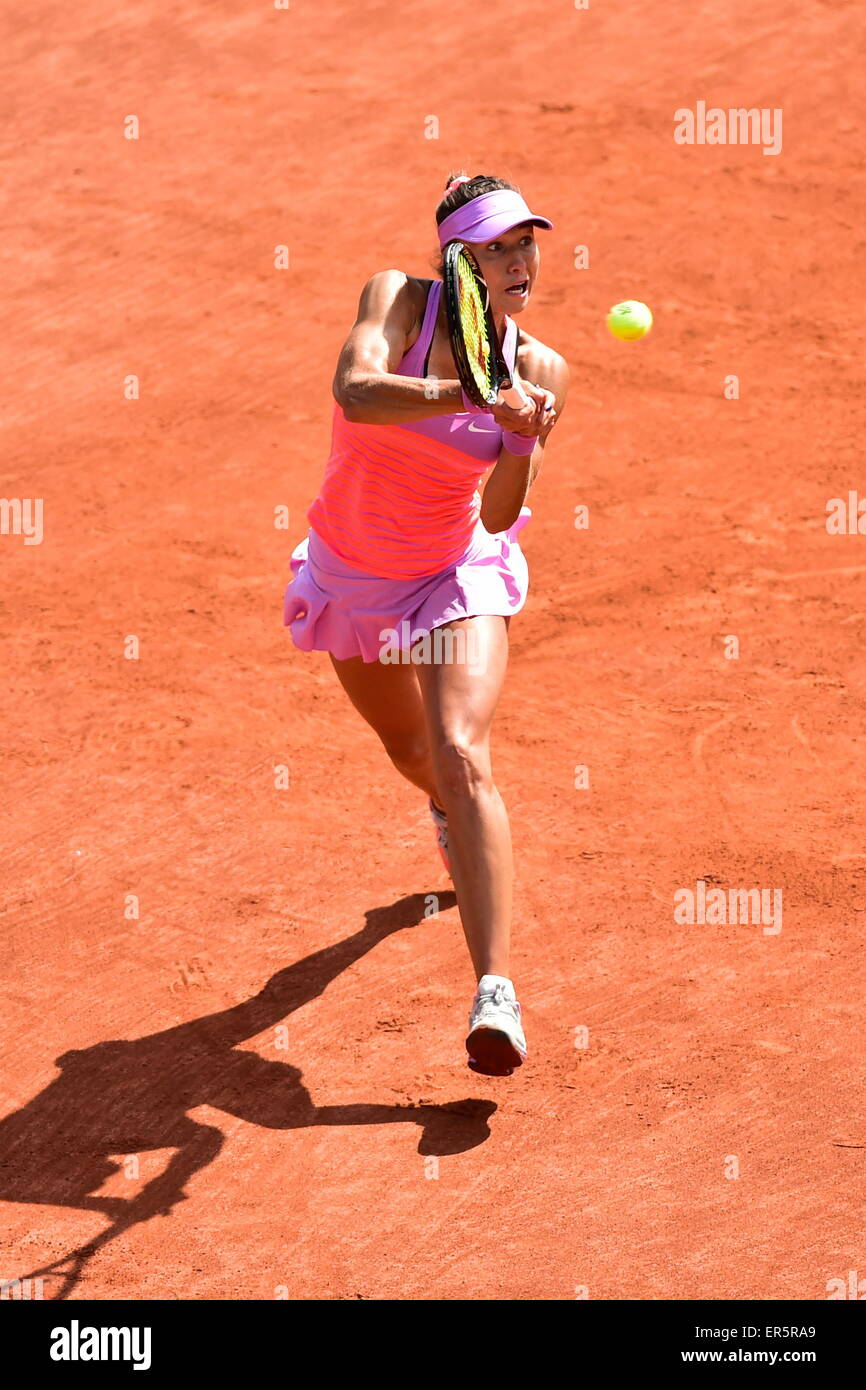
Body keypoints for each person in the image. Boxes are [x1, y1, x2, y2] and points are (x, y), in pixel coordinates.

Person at [283, 171, 569, 1075]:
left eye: (527, 242)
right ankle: (446, 813)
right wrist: (472, 397)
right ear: (458, 258)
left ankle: (496, 992)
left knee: (460, 748)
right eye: (498, 247)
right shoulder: (396, 302)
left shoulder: (542, 369)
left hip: (454, 575)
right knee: (413, 755)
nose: (519, 261)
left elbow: (496, 517)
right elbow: (356, 389)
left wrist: (524, 435)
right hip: (353, 576)